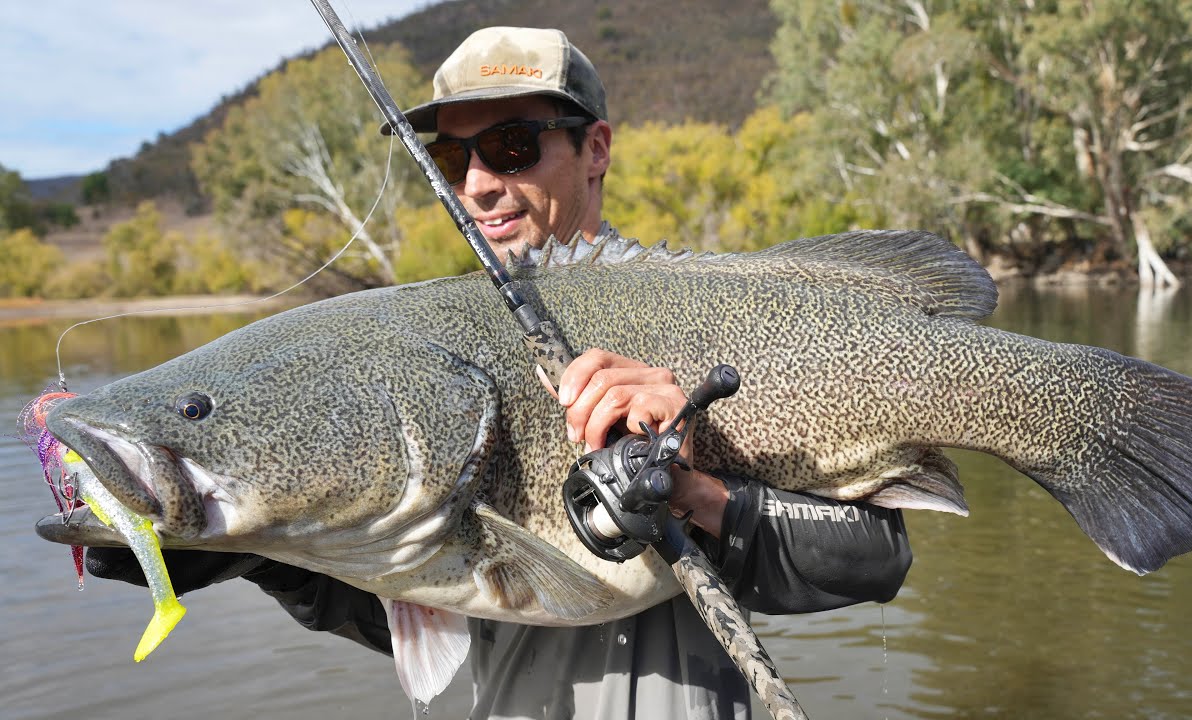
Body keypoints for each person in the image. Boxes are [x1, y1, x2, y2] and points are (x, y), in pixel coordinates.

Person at [88, 26, 912, 720]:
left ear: (595, 149)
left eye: (512, 146)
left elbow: (877, 558)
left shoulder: (709, 314)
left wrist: (695, 496)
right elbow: (424, 614)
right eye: (453, 157)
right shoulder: (423, 357)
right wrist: (254, 549)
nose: (481, 183)